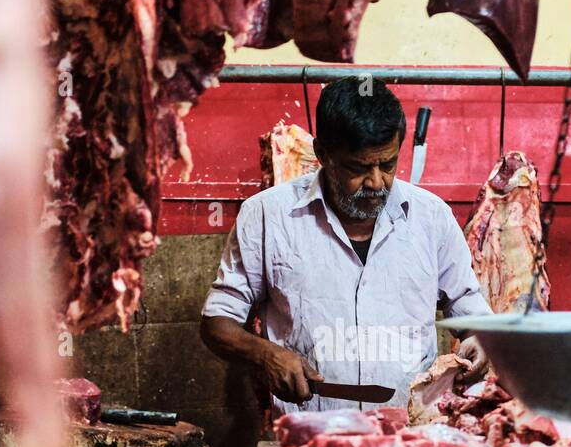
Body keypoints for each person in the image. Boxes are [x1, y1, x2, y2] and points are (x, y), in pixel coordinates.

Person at [200, 77, 492, 413]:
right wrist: (265, 354)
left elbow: (470, 310)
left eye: (388, 164)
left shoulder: (431, 217)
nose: (376, 182)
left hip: (409, 437)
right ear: (323, 154)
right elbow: (216, 323)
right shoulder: (266, 215)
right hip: (310, 437)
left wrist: (478, 340)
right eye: (359, 168)